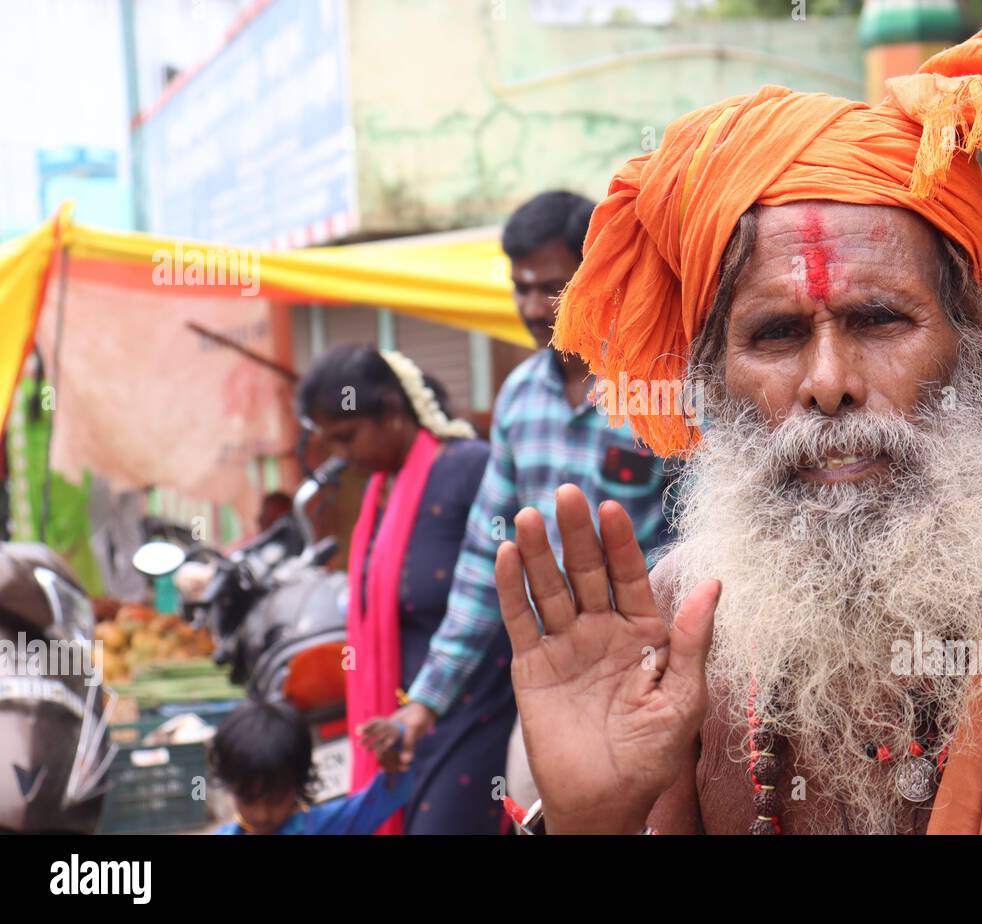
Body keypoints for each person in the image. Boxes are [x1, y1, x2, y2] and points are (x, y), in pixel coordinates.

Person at [494, 0, 982, 834]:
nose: (831, 383)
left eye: (880, 321)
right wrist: (596, 819)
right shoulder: (676, 625)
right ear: (713, 387)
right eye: (775, 335)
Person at [380, 191, 676, 814]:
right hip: (553, 681)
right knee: (531, 814)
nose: (532, 307)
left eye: (550, 287)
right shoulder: (518, 400)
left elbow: (705, 544)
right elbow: (486, 558)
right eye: (520, 288)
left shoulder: (663, 389)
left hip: (656, 677)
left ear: (596, 274)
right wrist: (424, 704)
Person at [297, 344, 506, 834]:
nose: (342, 456)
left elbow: (497, 594)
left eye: (347, 437)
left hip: (472, 716)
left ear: (391, 412)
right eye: (330, 443)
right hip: (401, 724)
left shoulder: (469, 468)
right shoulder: (378, 492)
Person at [212, 700, 411, 835]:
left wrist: (397, 740)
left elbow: (391, 792)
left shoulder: (327, 826)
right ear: (230, 786)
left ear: (298, 784)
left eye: (276, 800)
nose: (262, 814)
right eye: (248, 799)